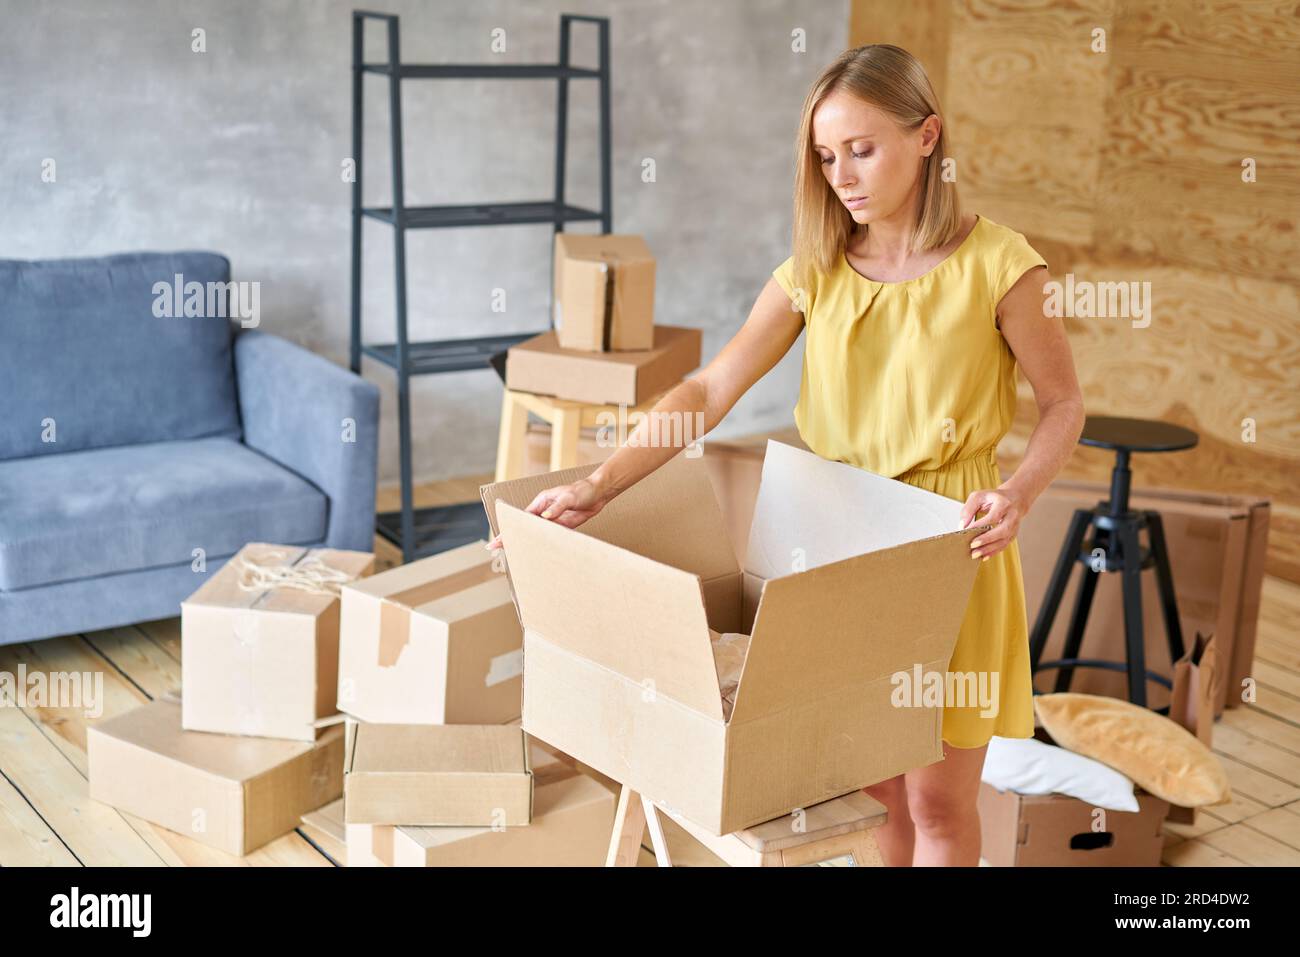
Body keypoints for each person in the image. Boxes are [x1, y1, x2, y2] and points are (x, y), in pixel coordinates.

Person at [487, 44, 1084, 866]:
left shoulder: (1002, 266)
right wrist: (600, 484)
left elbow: (1064, 404)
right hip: (839, 546)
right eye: (826, 155)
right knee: (872, 792)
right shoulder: (814, 270)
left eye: (862, 148)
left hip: (952, 549)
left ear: (927, 136)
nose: (842, 174)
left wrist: (1017, 491)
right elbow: (706, 390)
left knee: (940, 799)